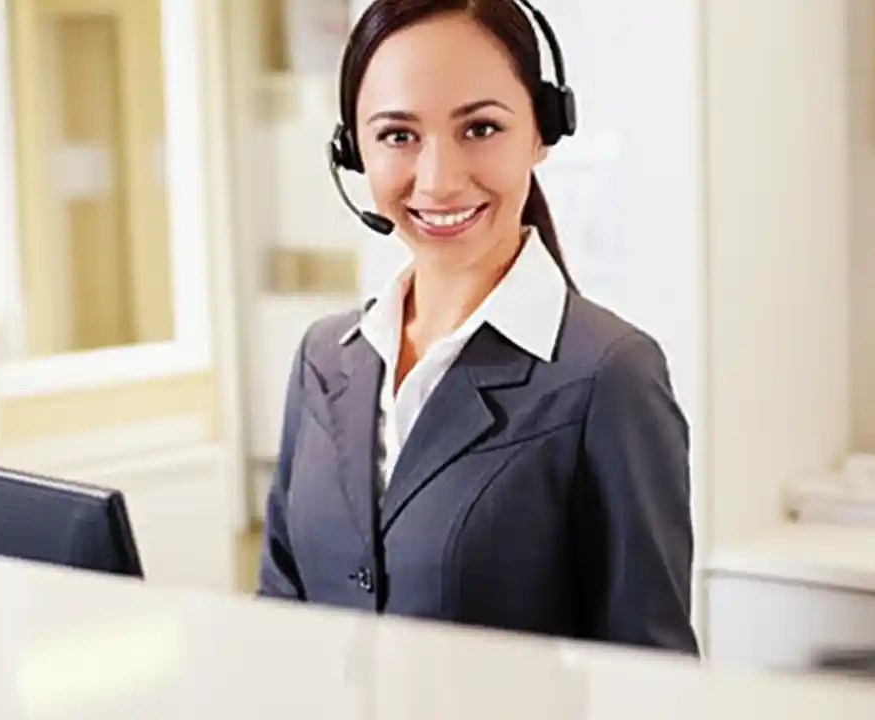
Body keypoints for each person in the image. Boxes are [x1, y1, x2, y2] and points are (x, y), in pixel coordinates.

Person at [257, 0, 699, 655]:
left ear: (542, 131)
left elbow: (651, 680)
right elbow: (278, 617)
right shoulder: (324, 357)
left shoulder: (610, 374)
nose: (437, 181)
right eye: (398, 135)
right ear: (353, 149)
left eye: (481, 128)